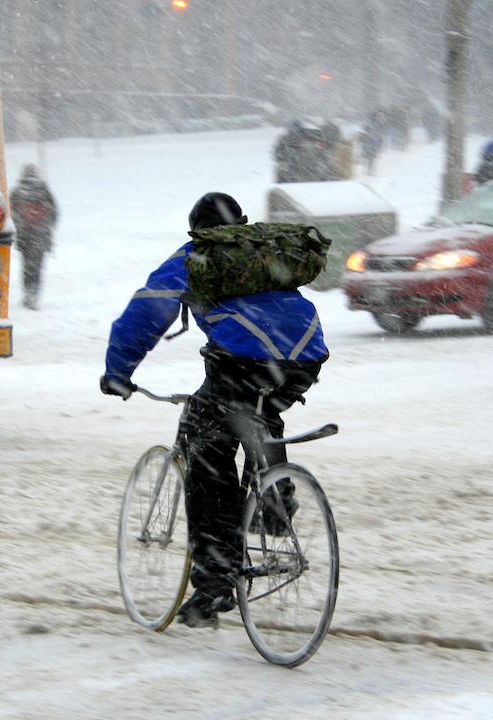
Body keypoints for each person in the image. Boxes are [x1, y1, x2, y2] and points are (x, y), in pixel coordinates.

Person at [100, 193, 329, 629]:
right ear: (240, 221)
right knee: (255, 412)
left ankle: (214, 582)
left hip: (242, 360)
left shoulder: (197, 255)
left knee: (206, 450)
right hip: (305, 357)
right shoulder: (264, 247)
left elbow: (146, 311)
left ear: (196, 230)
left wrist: (118, 371)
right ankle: (273, 496)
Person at [9, 164, 58, 310]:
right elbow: (54, 212)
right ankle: (34, 294)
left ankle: (27, 295)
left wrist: (18, 229)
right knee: (38, 267)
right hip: (41, 237)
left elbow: (10, 214)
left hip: (25, 237)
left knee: (26, 267)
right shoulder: (43, 190)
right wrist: (46, 228)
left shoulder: (17, 191)